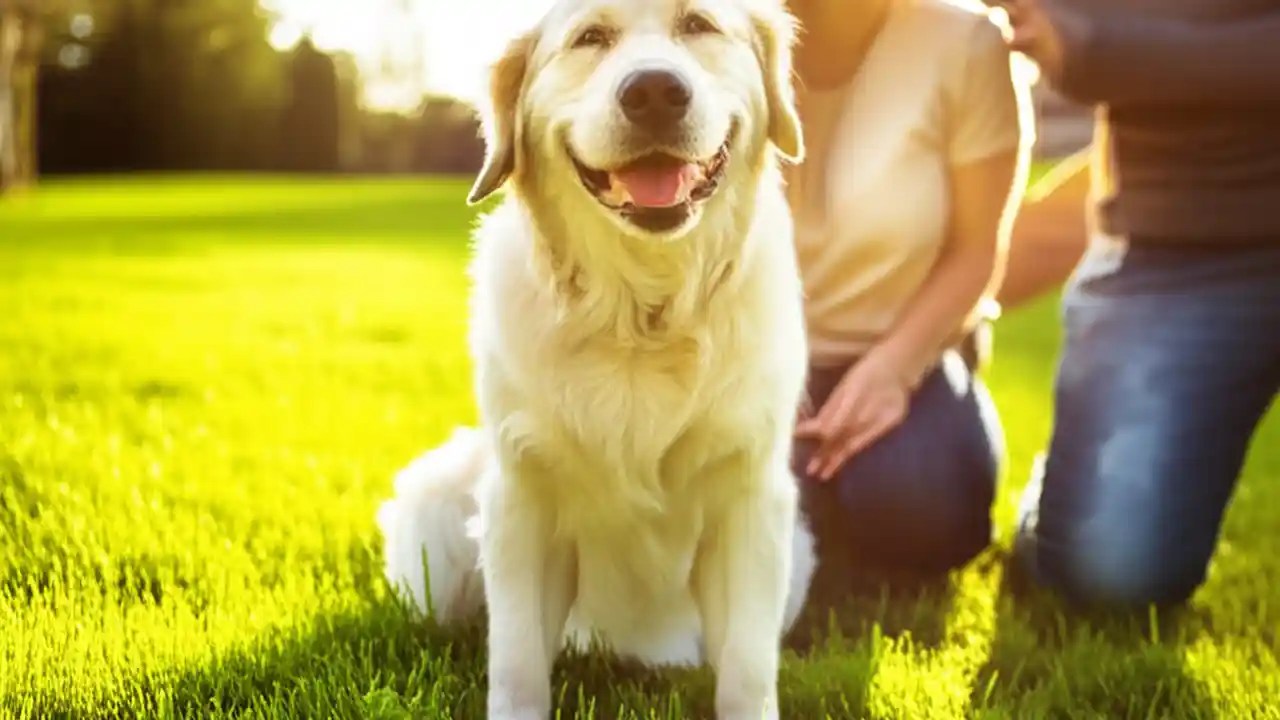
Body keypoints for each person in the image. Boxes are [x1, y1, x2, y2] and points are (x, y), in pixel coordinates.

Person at [1004, 0, 1280, 607]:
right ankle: (1070, 486)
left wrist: (1108, 47)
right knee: (1111, 569)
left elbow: (1086, 45)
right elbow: (1054, 31)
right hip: (1180, 254)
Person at [783, 0, 1034, 586]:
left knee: (922, 507)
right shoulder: (717, 32)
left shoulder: (964, 42)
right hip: (750, 358)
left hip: (902, 352)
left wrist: (893, 369)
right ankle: (815, 506)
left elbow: (976, 251)